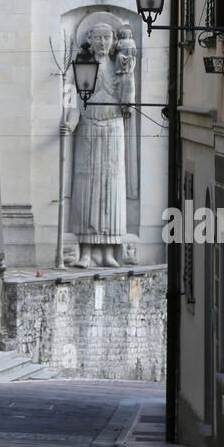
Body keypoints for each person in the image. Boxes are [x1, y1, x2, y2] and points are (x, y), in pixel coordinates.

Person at [63, 22, 135, 268]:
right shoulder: (81, 66)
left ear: (114, 41)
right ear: (90, 40)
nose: (103, 42)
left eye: (107, 38)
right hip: (88, 128)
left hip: (113, 128)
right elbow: (71, 98)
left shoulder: (119, 66)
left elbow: (128, 102)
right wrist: (70, 121)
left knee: (111, 188)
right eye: (98, 38)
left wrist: (128, 74)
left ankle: (107, 251)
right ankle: (86, 250)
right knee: (86, 189)